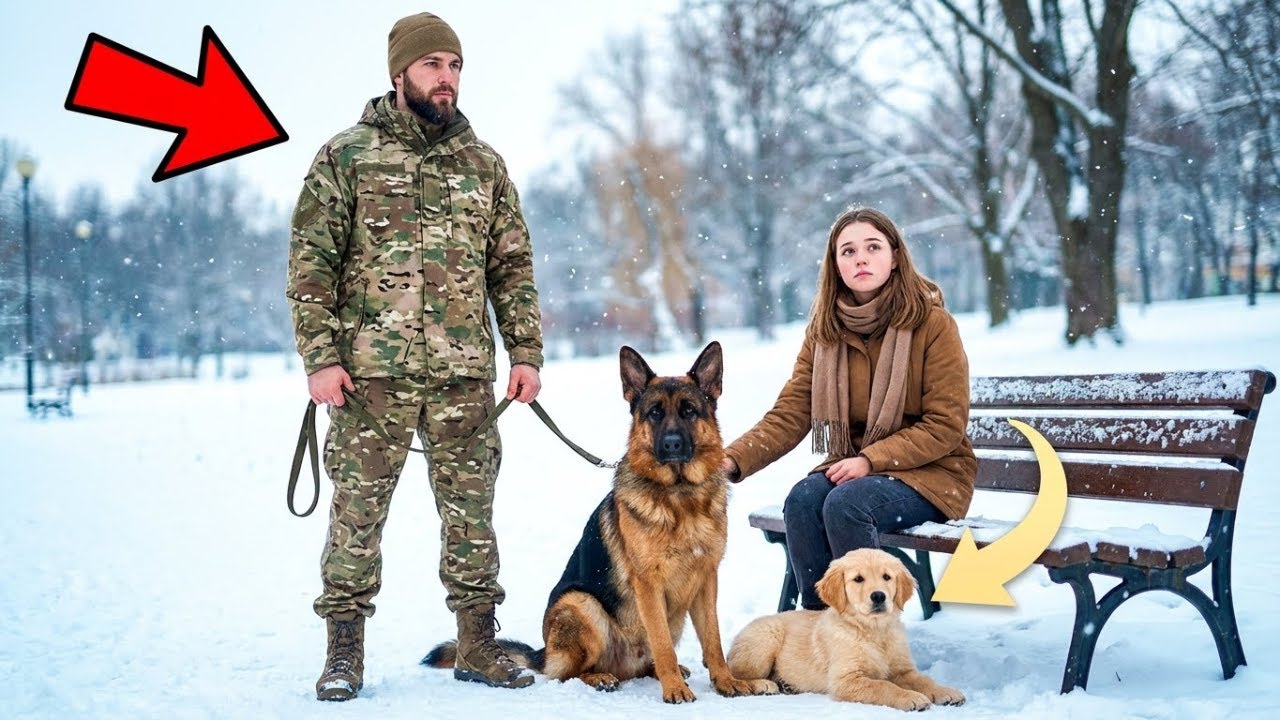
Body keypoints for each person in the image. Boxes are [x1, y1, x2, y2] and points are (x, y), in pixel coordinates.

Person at [286, 12, 544, 701]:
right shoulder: (347, 156)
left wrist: (524, 351)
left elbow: (511, 267)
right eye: (432, 64)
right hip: (369, 377)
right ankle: (344, 648)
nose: (446, 78)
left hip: (464, 375)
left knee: (472, 514)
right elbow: (311, 266)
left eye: (455, 65)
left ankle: (478, 641)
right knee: (357, 516)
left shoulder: (483, 163)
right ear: (399, 72)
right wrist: (320, 358)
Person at [721, 207, 976, 611]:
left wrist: (871, 460)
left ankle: (871, 635)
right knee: (804, 499)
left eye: (873, 247)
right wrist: (731, 459)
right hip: (856, 472)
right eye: (848, 251)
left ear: (894, 257)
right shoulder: (825, 332)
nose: (861, 258)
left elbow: (944, 425)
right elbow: (791, 412)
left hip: (932, 475)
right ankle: (819, 628)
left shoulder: (932, 325)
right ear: (835, 265)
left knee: (846, 505)